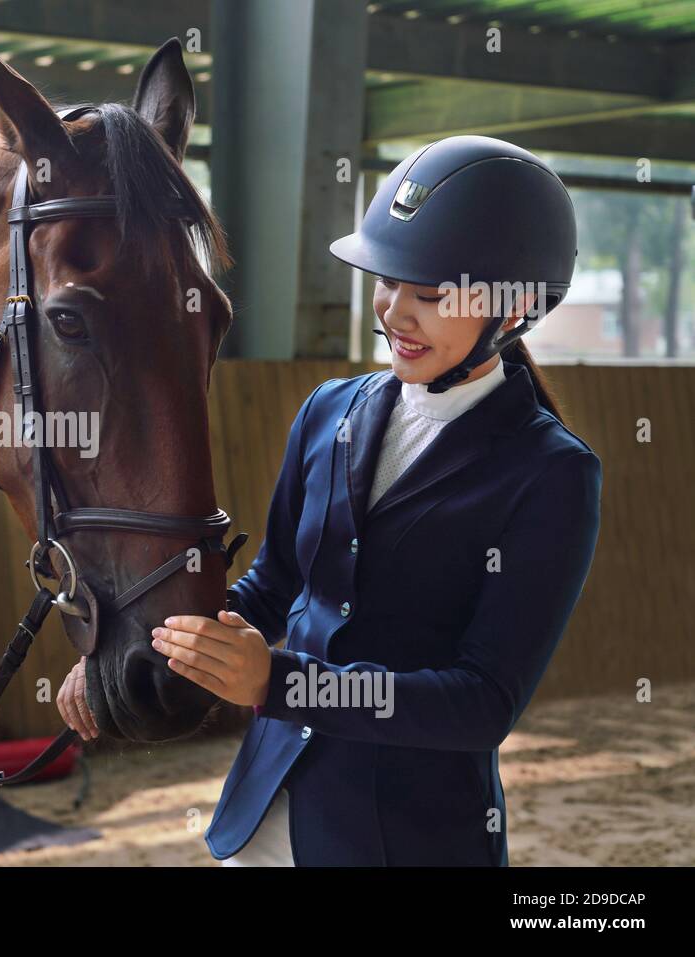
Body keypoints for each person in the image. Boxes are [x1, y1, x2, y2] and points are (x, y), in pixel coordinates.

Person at [59, 135, 604, 866]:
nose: (395, 314)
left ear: (511, 312)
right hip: (264, 817)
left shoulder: (552, 474)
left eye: (432, 295)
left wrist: (280, 681)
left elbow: (481, 704)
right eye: (387, 281)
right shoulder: (330, 411)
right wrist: (130, 654)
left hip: (403, 842)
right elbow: (275, 583)